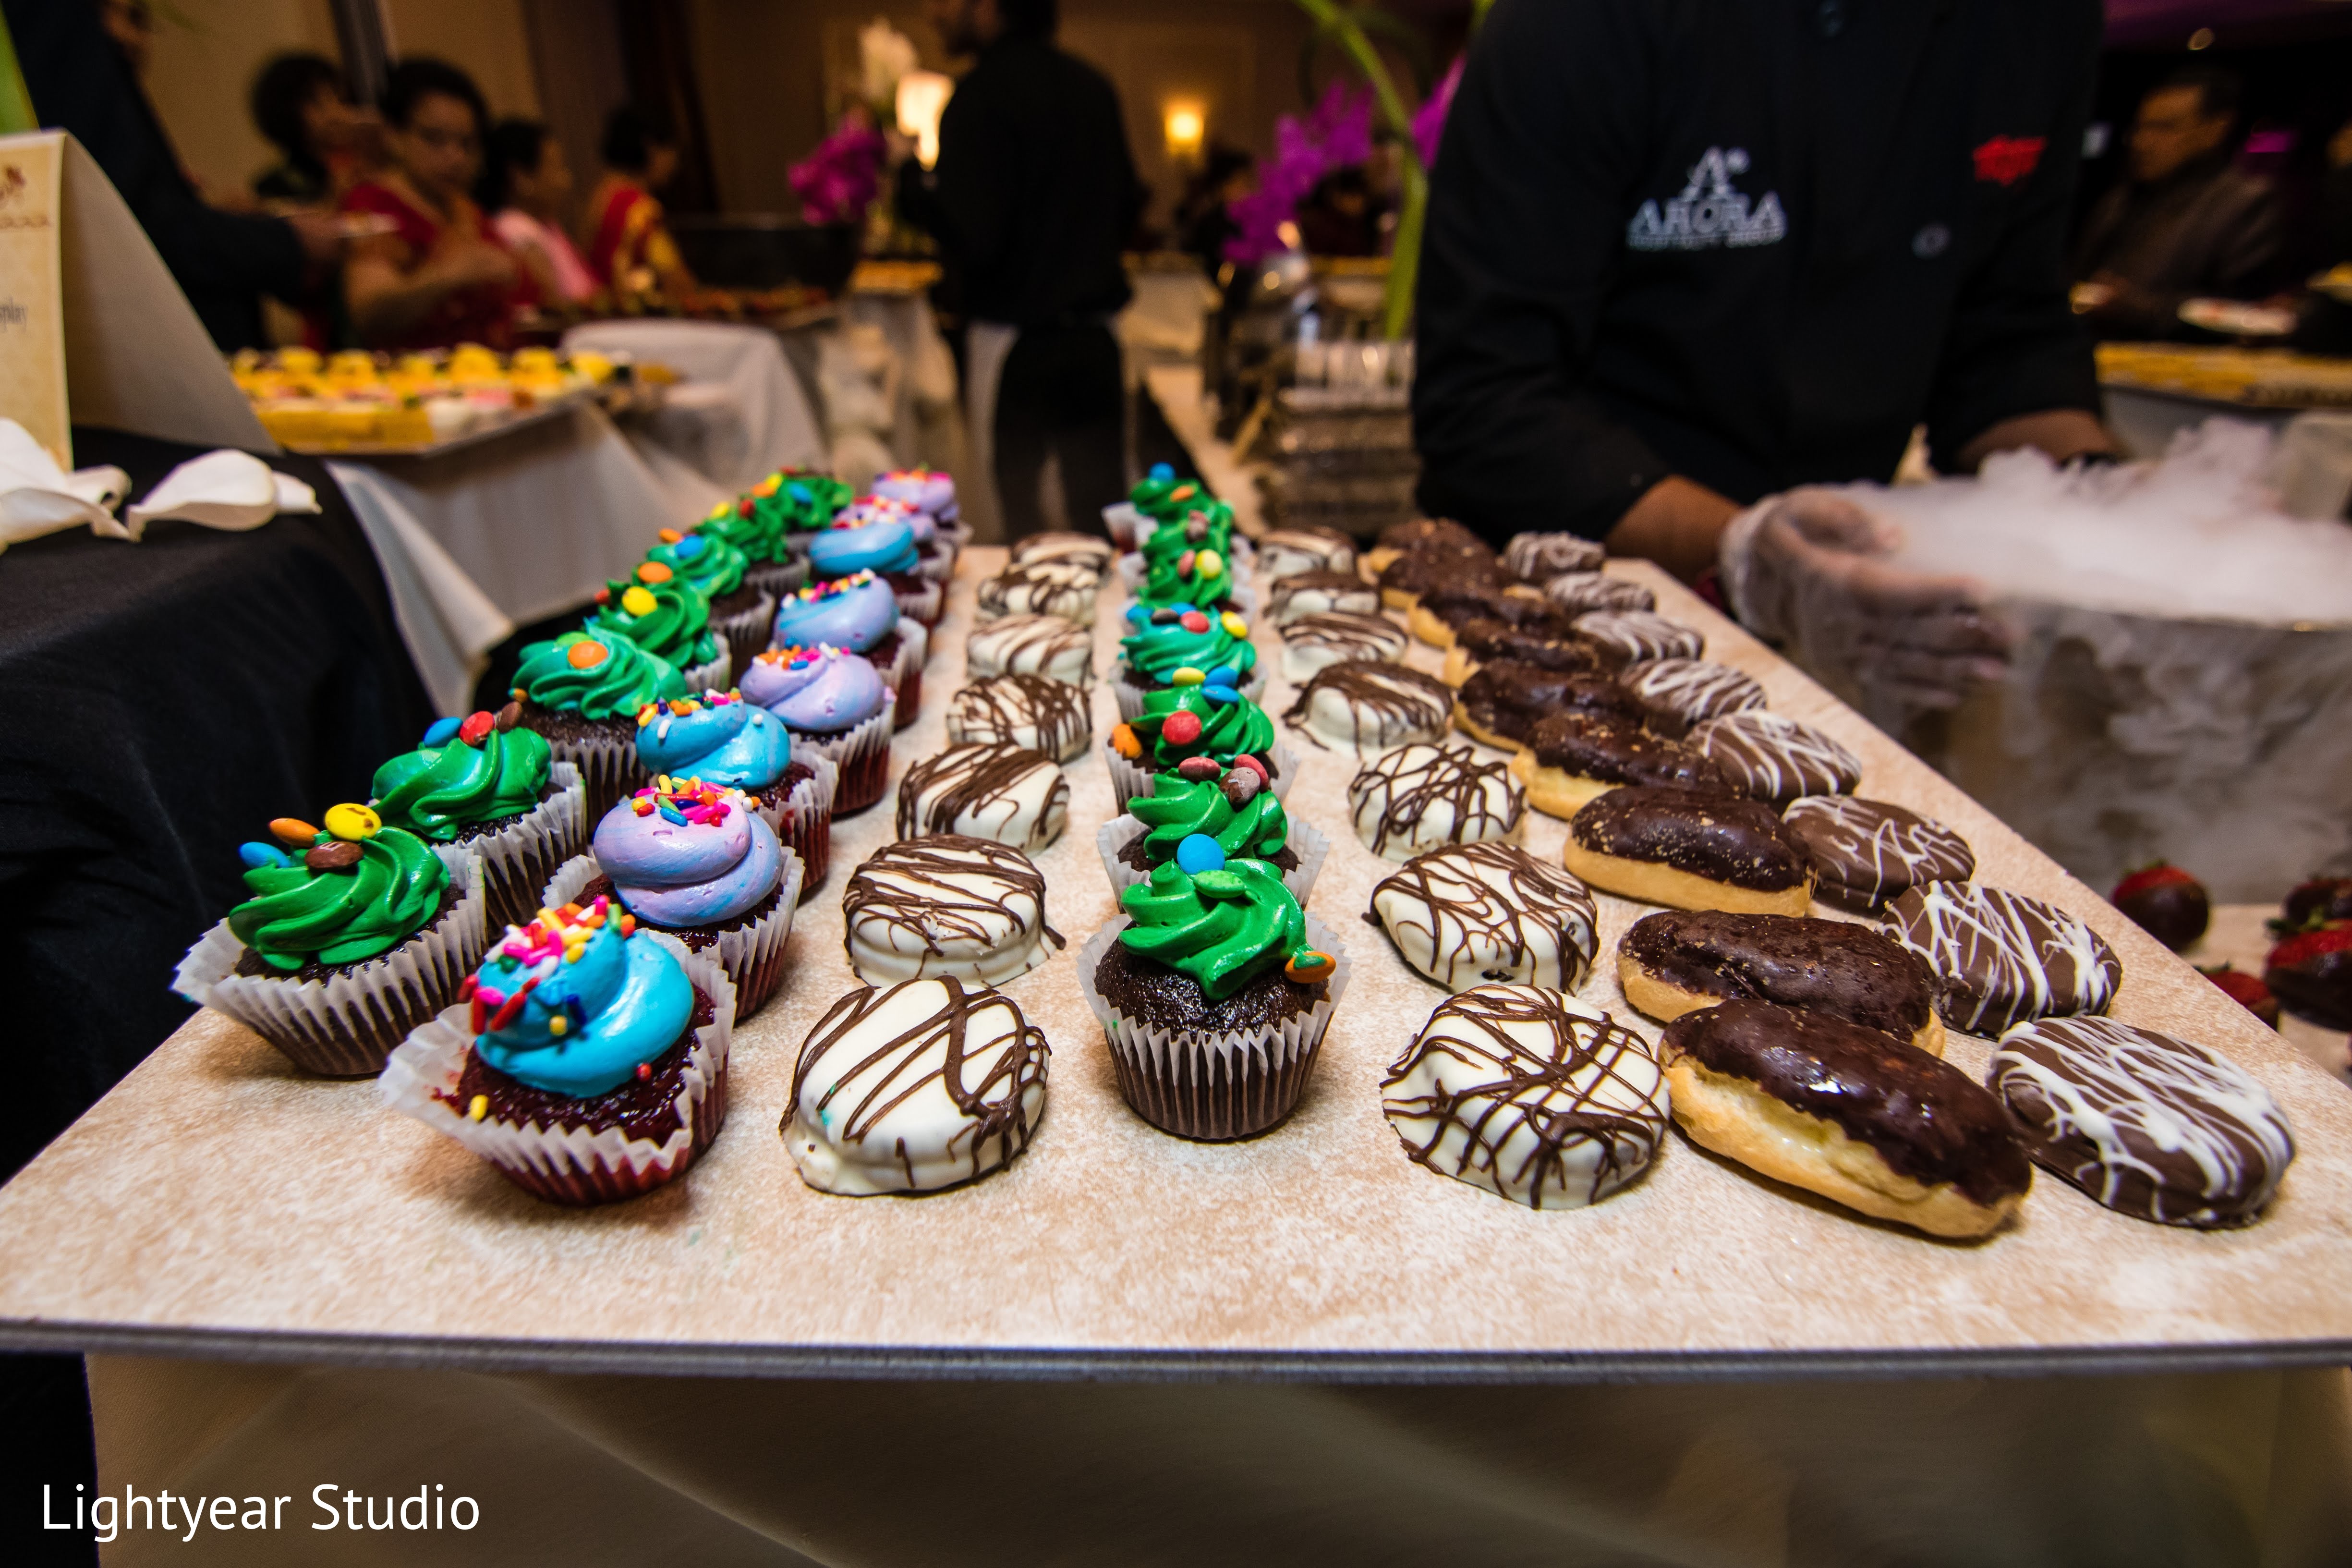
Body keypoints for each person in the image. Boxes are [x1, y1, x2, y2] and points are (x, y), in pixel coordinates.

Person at [1414, 0, 2118, 709]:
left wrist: (2122, 503)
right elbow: (1484, 399)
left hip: (1844, 635)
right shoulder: (1586, 23)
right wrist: (1748, 557)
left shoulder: (2042, 23)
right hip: (1554, 618)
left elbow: (2003, 338)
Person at [900, 0, 1143, 538]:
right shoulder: (1094, 88)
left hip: (1013, 345)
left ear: (989, 9)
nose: (933, 12)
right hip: (1096, 343)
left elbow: (975, 237)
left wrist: (911, 191)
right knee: (1101, 521)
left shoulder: (978, 97)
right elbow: (1129, 207)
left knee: (1016, 528)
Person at [3, 0, 344, 351]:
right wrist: (284, 241)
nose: (123, 35)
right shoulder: (49, 25)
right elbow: (130, 222)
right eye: (102, 15)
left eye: (137, 19)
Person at [2073, 66, 2284, 340]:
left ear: (2215, 130)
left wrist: (2137, 309)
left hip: (2179, 371)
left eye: (2164, 128)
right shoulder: (2119, 200)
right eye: (2140, 127)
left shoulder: (2246, 202)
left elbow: (2243, 314)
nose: (2142, 141)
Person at [339, 58, 523, 351]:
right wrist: (451, 274)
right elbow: (370, 311)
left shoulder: (463, 208)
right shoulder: (372, 206)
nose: (456, 158)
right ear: (394, 137)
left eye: (466, 144)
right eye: (435, 139)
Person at [481, 118, 598, 306]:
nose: (566, 180)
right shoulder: (517, 231)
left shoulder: (542, 225)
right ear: (520, 177)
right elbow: (554, 307)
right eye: (556, 168)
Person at [585, 105, 696, 297]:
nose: (675, 163)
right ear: (651, 147)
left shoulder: (599, 197)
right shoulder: (641, 208)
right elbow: (675, 280)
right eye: (671, 150)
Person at [250, 52, 369, 208]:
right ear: (287, 112)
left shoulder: (368, 162)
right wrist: (333, 198)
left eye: (341, 100)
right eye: (317, 104)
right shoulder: (277, 187)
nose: (337, 114)